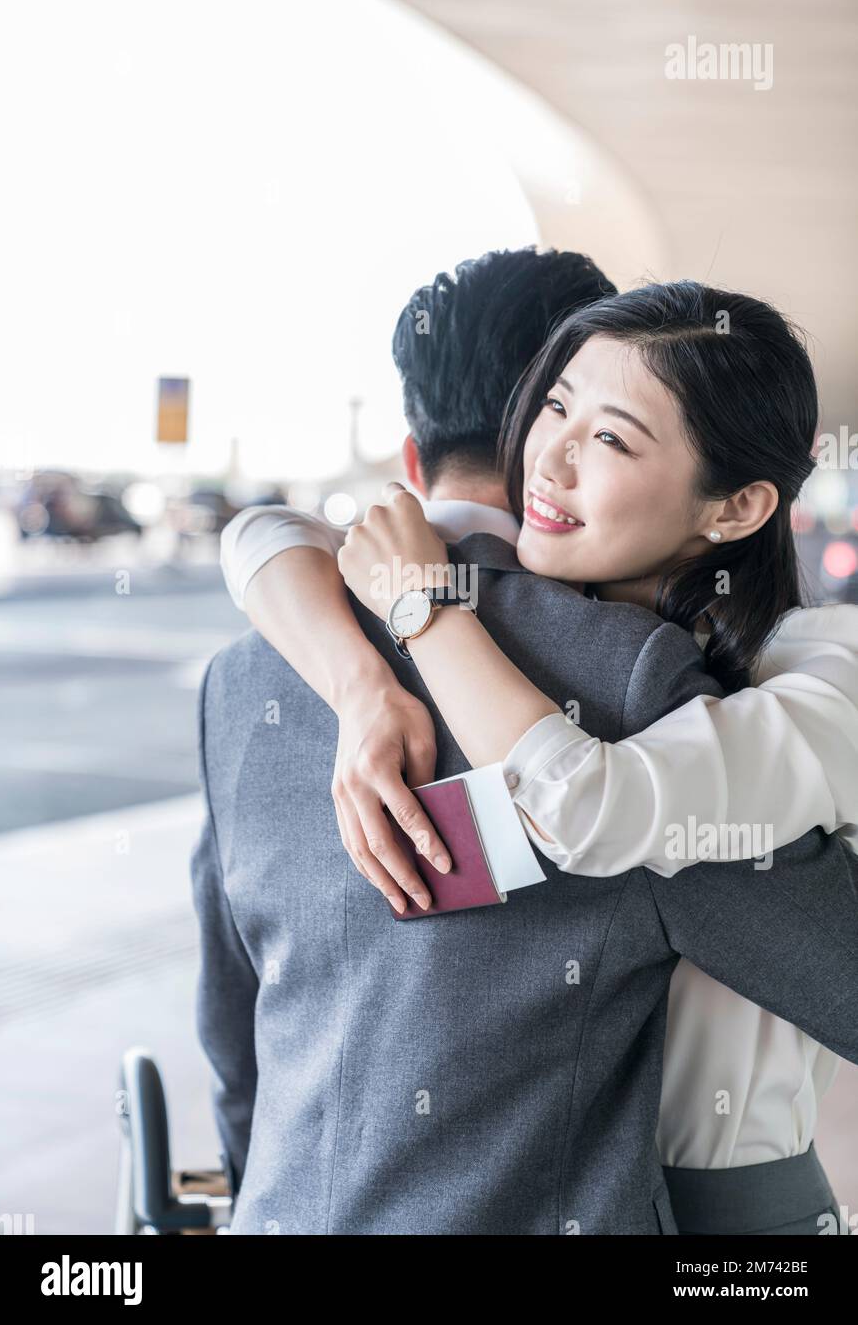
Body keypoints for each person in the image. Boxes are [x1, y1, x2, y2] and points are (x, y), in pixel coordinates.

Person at [215, 269, 858, 1234]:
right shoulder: (636, 681)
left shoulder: (247, 672)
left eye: (608, 434)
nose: (553, 458)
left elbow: (233, 1020)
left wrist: (399, 632)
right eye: (556, 407)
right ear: (527, 396)